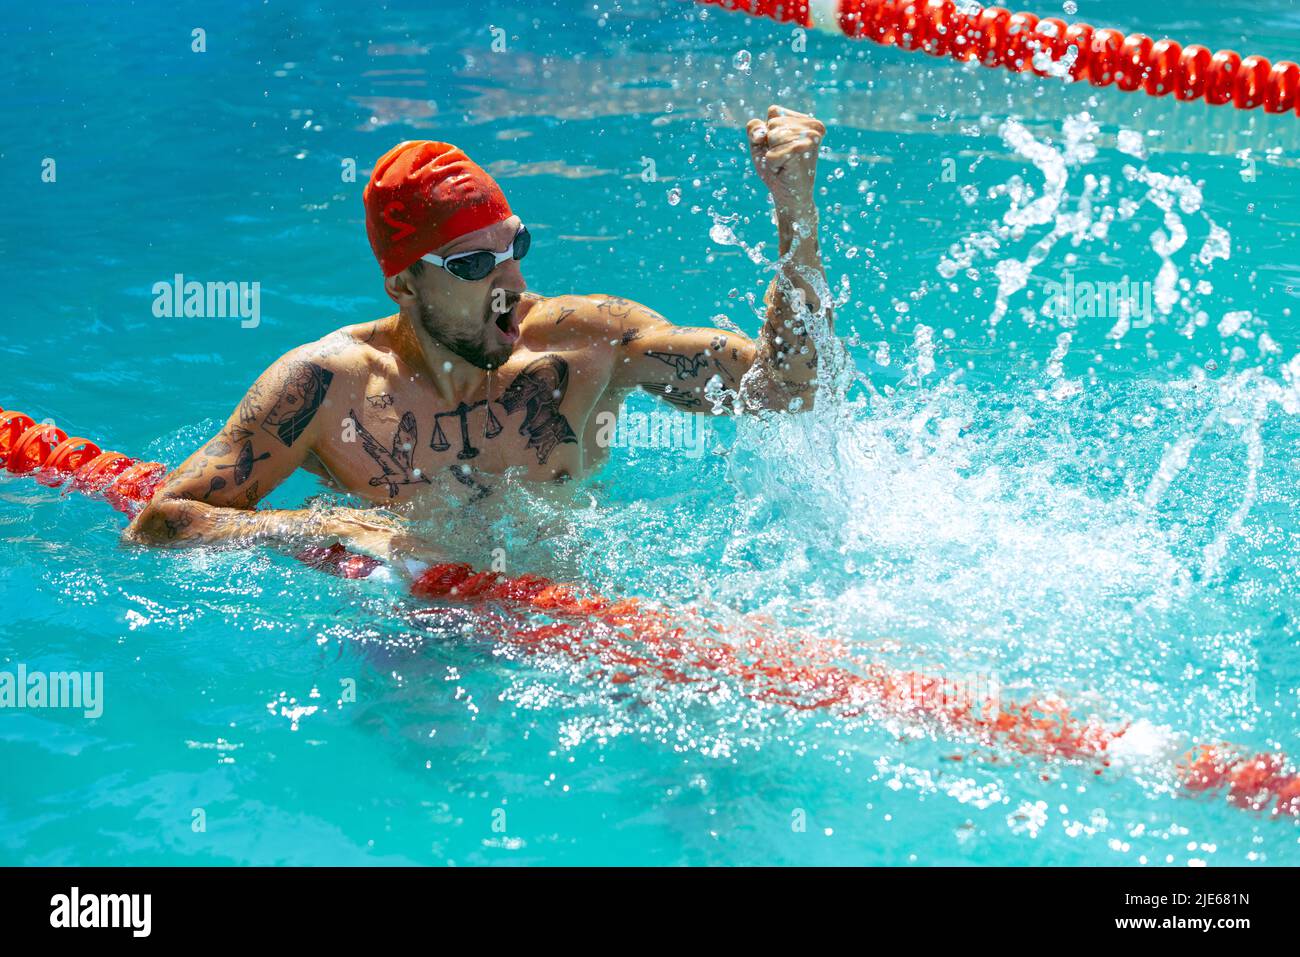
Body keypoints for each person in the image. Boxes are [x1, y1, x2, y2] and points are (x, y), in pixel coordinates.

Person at [126, 106, 833, 567]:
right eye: (471, 264)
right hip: (415, 628)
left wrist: (796, 217)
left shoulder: (588, 346)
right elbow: (161, 521)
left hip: (585, 618)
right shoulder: (329, 387)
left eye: (514, 244)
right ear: (404, 287)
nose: (513, 281)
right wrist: (324, 529)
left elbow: (786, 391)